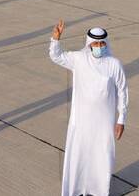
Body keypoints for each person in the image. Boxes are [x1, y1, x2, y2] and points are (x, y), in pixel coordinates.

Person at [48, 21, 128, 196]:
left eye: (102, 43)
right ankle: (77, 190)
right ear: (89, 44)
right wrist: (56, 39)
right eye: (95, 43)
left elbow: (123, 91)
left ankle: (98, 190)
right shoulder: (78, 59)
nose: (98, 47)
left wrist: (121, 119)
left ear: (106, 43)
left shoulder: (114, 64)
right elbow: (57, 56)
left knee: (102, 156)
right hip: (81, 121)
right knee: (80, 155)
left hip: (104, 123)